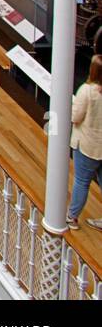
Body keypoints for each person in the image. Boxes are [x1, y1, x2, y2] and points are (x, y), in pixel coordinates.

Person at [67, 55, 102, 230]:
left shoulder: (87, 91)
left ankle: (72, 217)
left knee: (82, 181)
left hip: (87, 146)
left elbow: (75, 117)